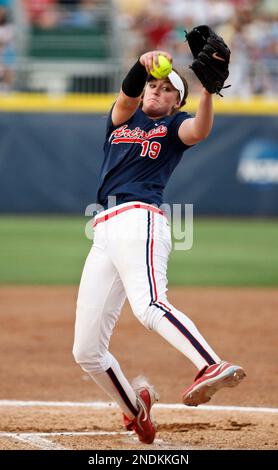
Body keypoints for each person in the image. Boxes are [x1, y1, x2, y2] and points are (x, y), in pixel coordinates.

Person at [73, 50, 246, 445]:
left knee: (149, 304)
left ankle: (210, 364)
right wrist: (143, 64)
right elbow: (128, 92)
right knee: (86, 351)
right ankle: (136, 409)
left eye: (167, 88)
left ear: (176, 103)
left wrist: (207, 93)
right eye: (154, 84)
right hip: (103, 229)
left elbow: (199, 132)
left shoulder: (173, 127)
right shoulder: (122, 119)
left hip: (140, 218)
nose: (157, 90)